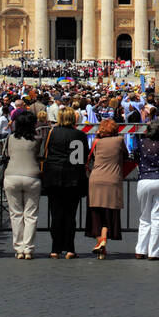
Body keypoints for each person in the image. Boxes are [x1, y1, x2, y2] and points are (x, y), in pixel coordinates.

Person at [42, 107, 88, 259]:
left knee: (55, 214)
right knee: (70, 215)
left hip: (53, 176)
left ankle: (55, 249)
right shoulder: (80, 135)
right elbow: (80, 159)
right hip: (73, 178)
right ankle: (70, 248)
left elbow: (46, 153)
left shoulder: (52, 133)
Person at [85, 118, 129, 257]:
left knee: (96, 215)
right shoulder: (119, 140)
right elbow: (126, 155)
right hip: (112, 179)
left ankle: (101, 244)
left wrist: (98, 135)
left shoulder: (96, 141)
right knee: (109, 215)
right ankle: (103, 239)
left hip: (96, 179)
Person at [4, 109, 43, 259]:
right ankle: (28, 248)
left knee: (16, 214)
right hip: (32, 176)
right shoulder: (37, 139)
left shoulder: (10, 138)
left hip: (12, 175)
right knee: (31, 215)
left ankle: (18, 247)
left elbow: (6, 155)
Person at [133, 116, 159, 260]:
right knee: (158, 217)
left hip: (143, 180)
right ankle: (154, 252)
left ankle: (140, 249)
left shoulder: (141, 143)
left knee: (145, 217)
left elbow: (136, 157)